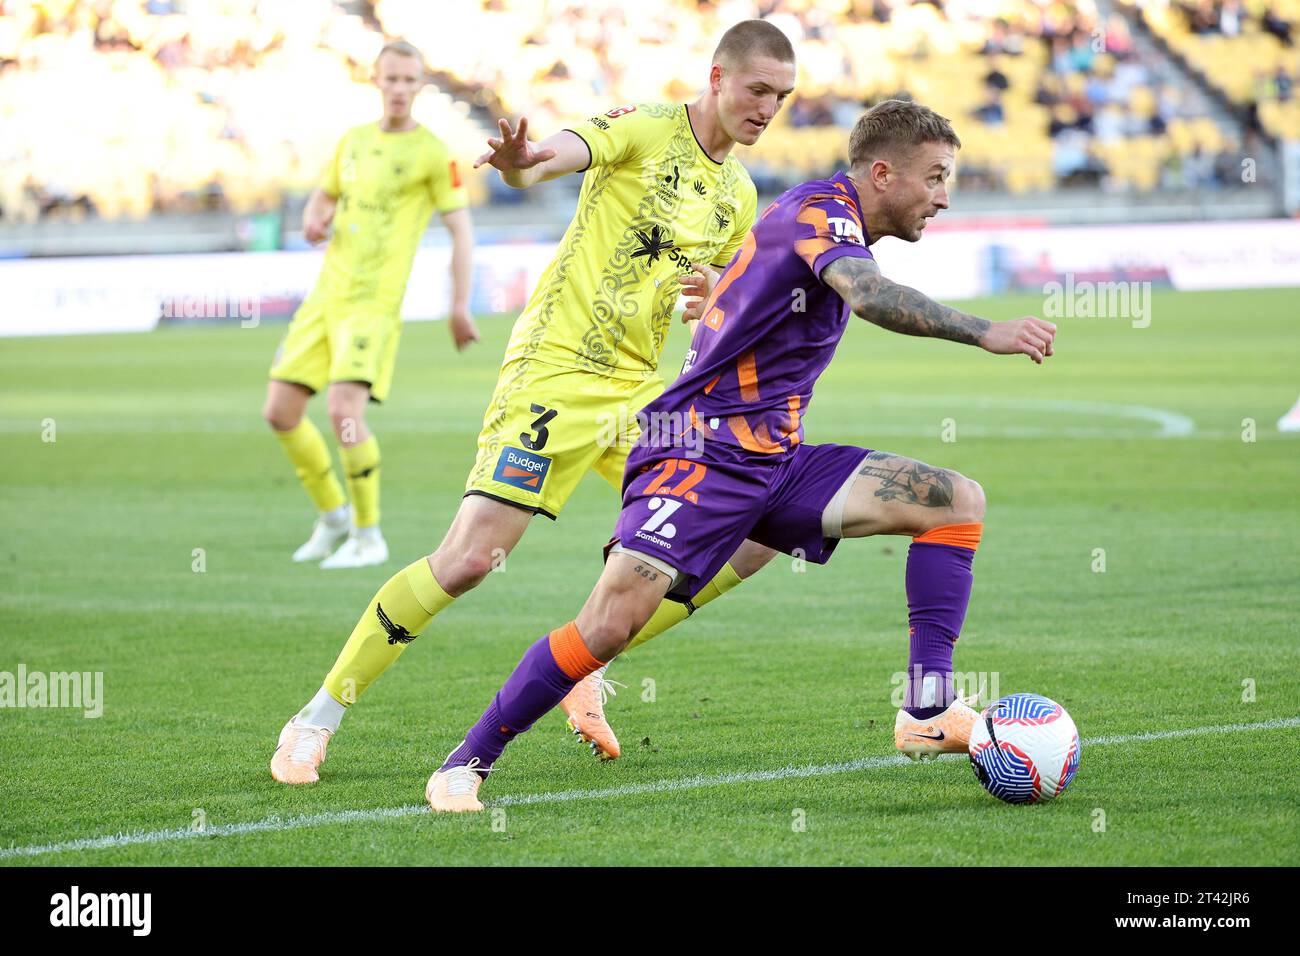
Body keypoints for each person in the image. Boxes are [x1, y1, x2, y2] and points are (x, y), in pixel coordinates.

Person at [422, 99, 1059, 812]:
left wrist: (718, 300)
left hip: (775, 462)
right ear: (883, 173)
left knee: (954, 499)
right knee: (606, 625)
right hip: (697, 455)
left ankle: (926, 710)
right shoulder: (825, 213)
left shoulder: (819, 218)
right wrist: (985, 331)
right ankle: (464, 764)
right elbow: (872, 297)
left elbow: (754, 287)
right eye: (936, 177)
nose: (944, 196)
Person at [271, 21, 798, 784]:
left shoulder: (738, 194)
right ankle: (315, 718)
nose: (768, 108)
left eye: (781, 98)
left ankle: (584, 659)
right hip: (553, 371)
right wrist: (523, 163)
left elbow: (723, 298)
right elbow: (555, 154)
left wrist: (718, 297)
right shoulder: (648, 126)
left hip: (641, 394)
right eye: (758, 91)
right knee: (469, 561)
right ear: (717, 78)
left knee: (751, 528)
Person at [263, 40, 479, 570]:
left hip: (373, 304)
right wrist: (313, 217)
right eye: (392, 79)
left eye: (410, 80)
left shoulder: (433, 152)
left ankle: (368, 533)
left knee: (342, 412)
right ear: (376, 82)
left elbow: (461, 231)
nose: (400, 89)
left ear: (421, 86)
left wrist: (459, 304)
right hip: (325, 297)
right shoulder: (353, 142)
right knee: (281, 411)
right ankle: (333, 517)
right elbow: (323, 195)